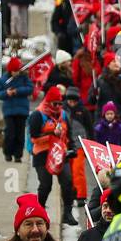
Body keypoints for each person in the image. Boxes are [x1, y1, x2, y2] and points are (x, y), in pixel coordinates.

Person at [28, 86, 77, 226]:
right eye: (55, 104)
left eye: (60, 104)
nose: (58, 107)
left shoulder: (63, 115)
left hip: (60, 154)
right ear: (48, 102)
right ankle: (40, 211)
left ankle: (68, 214)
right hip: (42, 154)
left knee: (67, 183)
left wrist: (72, 148)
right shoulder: (37, 115)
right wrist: (51, 134)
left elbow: (69, 134)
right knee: (46, 185)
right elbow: (34, 137)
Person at [0, 58, 33, 162]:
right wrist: (6, 93)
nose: (16, 73)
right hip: (9, 110)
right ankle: (8, 152)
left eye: (17, 71)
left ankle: (18, 155)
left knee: (20, 133)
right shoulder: (3, 79)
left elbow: (30, 89)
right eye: (14, 71)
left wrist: (17, 91)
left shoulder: (24, 78)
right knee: (10, 132)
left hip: (22, 110)